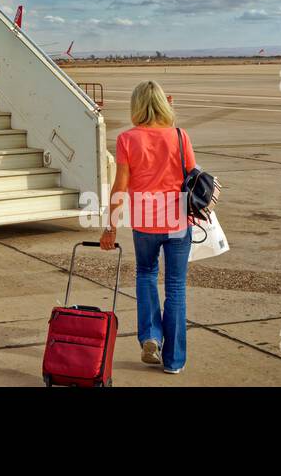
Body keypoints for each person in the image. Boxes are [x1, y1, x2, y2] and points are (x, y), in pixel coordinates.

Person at [101, 79, 194, 375]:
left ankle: (151, 335)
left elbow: (120, 187)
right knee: (176, 287)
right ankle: (174, 360)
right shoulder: (180, 136)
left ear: (136, 106)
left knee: (145, 274)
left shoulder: (127, 140)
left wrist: (110, 227)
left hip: (145, 220)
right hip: (178, 219)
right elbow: (193, 177)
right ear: (164, 104)